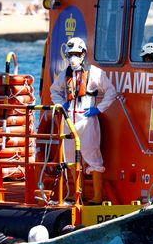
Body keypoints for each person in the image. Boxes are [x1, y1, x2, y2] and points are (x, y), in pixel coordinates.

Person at [50, 37, 116, 204]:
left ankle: (97, 196)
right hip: (69, 120)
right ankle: (76, 193)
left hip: (87, 120)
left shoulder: (95, 72)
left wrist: (99, 108)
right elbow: (54, 91)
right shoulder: (65, 74)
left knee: (93, 158)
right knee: (70, 158)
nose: (73, 57)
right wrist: (60, 104)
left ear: (83, 54)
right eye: (70, 54)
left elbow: (111, 91)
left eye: (76, 54)